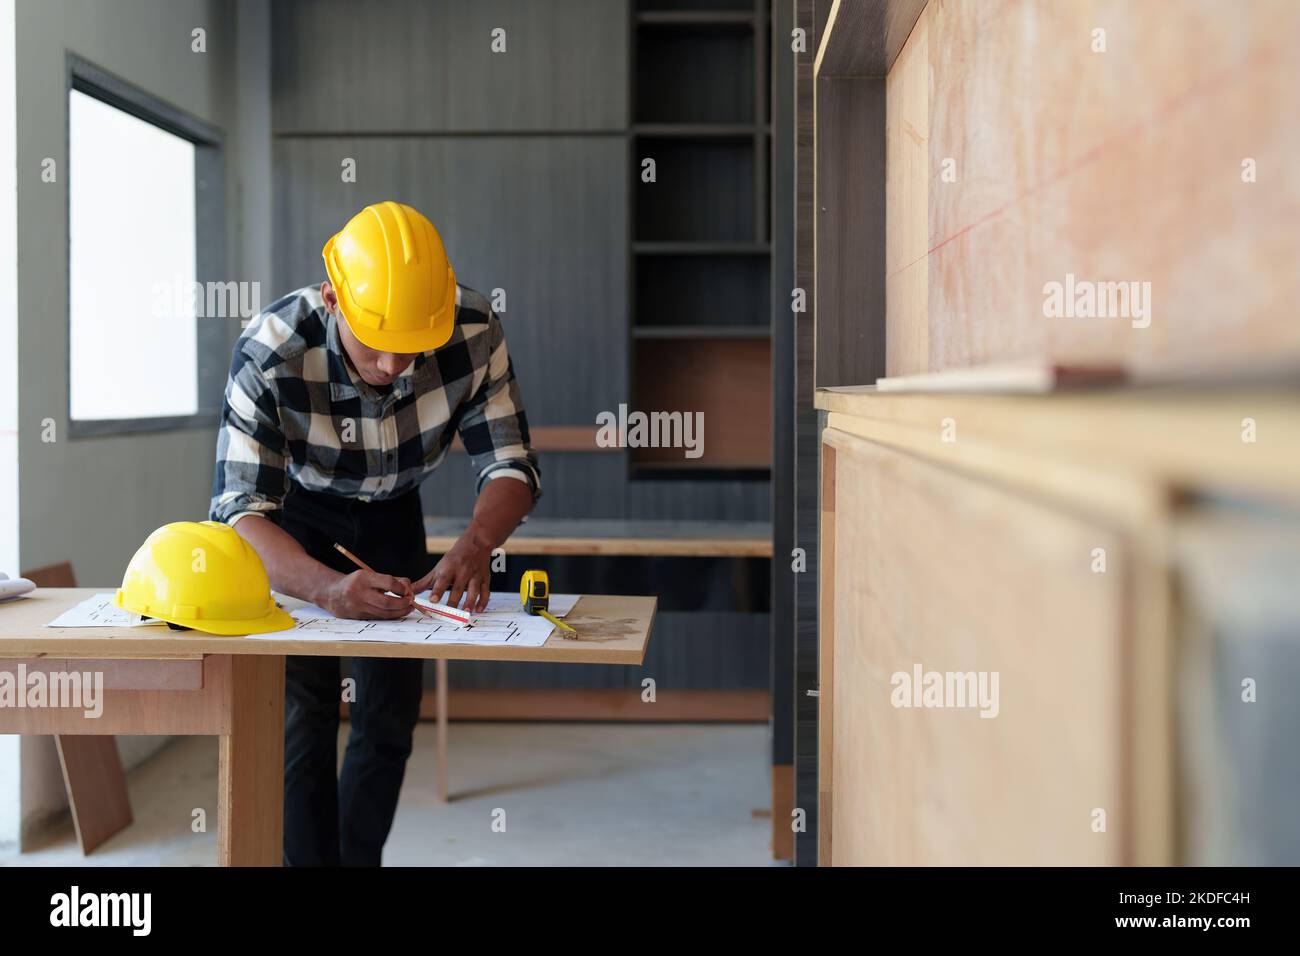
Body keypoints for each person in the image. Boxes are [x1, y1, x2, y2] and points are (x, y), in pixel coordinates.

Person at [209, 200, 538, 865]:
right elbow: (241, 515)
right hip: (293, 523)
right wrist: (327, 591)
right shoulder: (271, 349)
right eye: (374, 342)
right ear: (333, 298)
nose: (392, 364)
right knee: (304, 717)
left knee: (388, 716)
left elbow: (513, 465)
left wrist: (478, 542)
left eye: (413, 345)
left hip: (394, 512)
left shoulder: (470, 328)